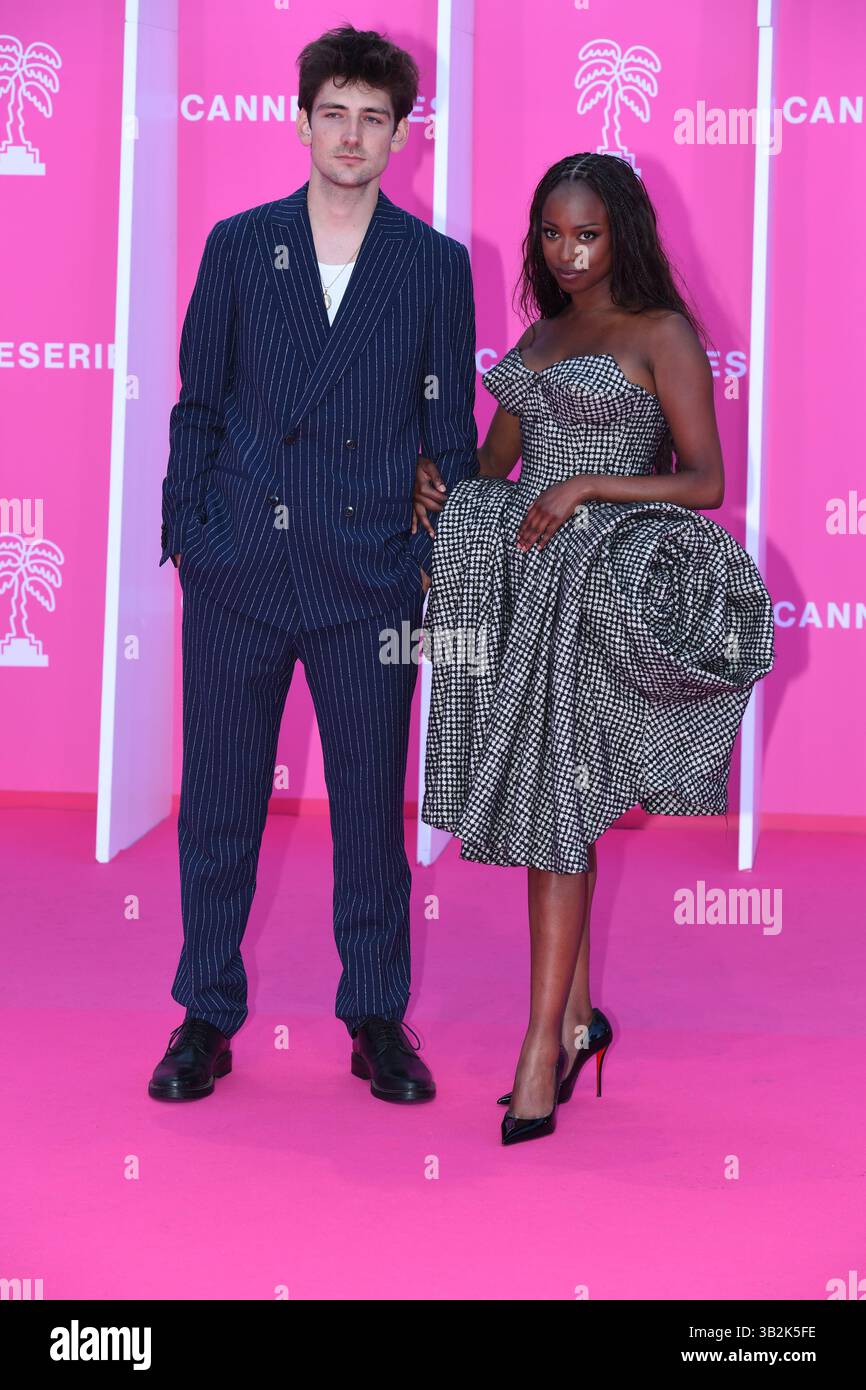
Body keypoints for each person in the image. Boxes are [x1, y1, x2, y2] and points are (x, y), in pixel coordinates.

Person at [413, 152, 775, 1144]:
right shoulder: (538, 335)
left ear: (622, 233)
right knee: (547, 811)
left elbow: (702, 481)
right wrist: (442, 499)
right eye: (550, 233)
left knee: (556, 813)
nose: (567, 253)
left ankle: (540, 1050)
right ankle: (574, 1022)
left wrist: (583, 487)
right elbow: (492, 471)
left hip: (604, 593)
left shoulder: (661, 333)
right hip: (526, 598)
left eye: (586, 233)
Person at [149, 25, 478, 1104]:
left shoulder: (432, 266)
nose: (350, 134)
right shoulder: (240, 247)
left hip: (369, 577)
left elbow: (451, 436)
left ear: (398, 136)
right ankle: (204, 1012)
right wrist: (193, 540)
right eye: (332, 113)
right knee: (219, 804)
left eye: (372, 118)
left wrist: (437, 552)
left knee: (367, 809)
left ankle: (375, 1014)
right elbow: (198, 404)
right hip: (239, 571)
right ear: (301, 122)